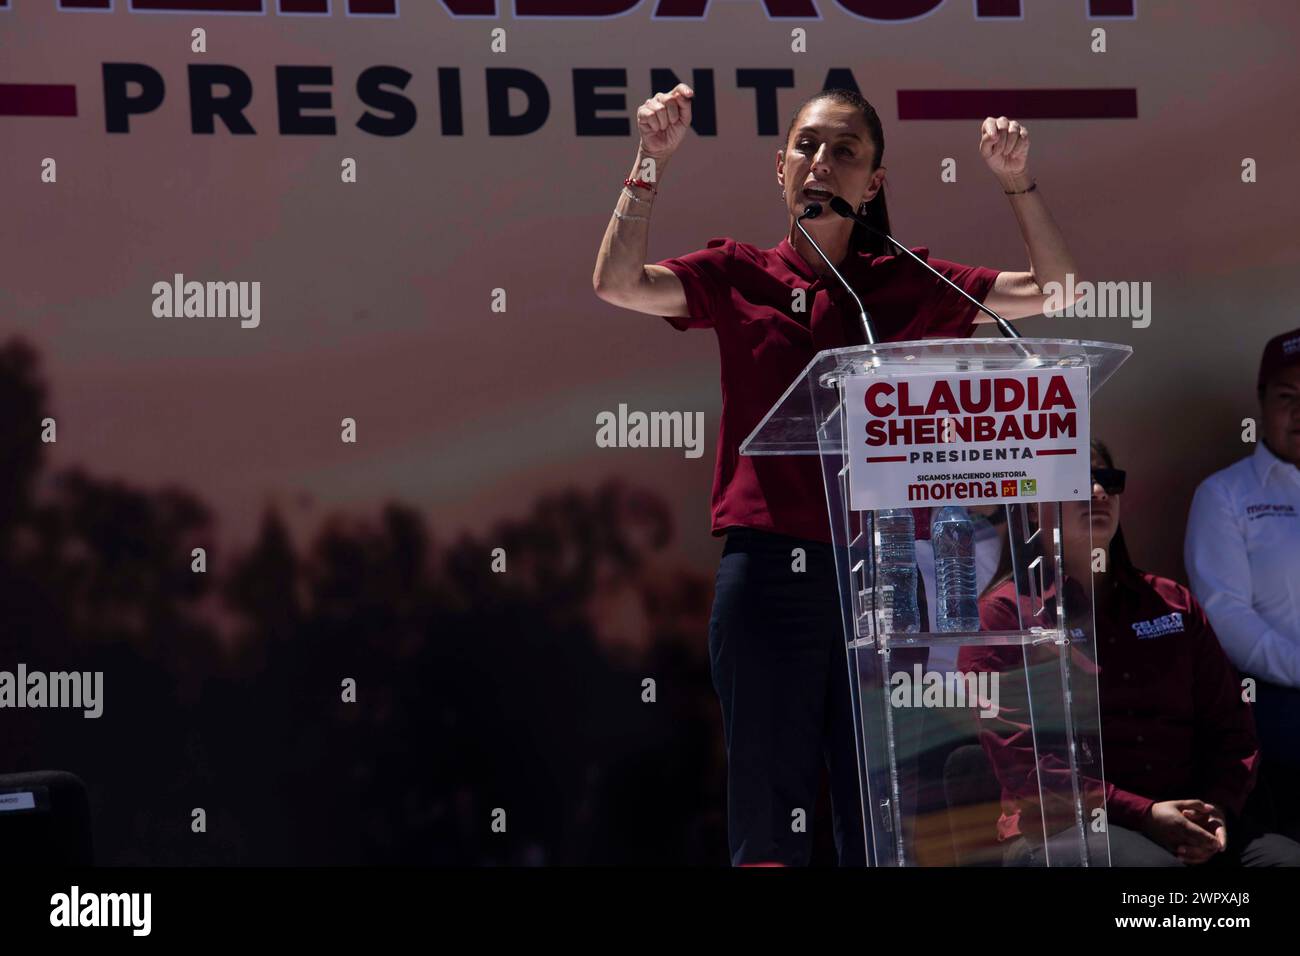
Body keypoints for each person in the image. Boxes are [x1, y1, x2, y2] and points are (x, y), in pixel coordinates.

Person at [592, 82, 1082, 866]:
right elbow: (617, 283)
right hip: (768, 577)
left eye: (845, 151)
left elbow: (1057, 290)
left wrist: (1015, 179)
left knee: (880, 802)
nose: (822, 163)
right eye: (807, 147)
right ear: (779, 167)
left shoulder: (906, 281)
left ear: (874, 183)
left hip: (884, 575)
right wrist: (648, 161)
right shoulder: (737, 272)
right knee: (768, 800)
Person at [959, 441, 1300, 866]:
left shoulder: (1173, 602)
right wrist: (1146, 814)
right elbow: (1026, 766)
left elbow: (1233, 729)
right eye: (1078, 481)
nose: (1099, 492)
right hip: (1067, 827)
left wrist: (1216, 809)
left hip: (1194, 816)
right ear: (1031, 508)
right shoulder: (1004, 617)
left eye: (1108, 480)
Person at [1185, 327, 1300, 837]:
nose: (1299, 412)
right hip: (1280, 702)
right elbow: (1226, 614)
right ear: (1261, 402)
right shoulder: (1225, 494)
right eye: (1286, 398)